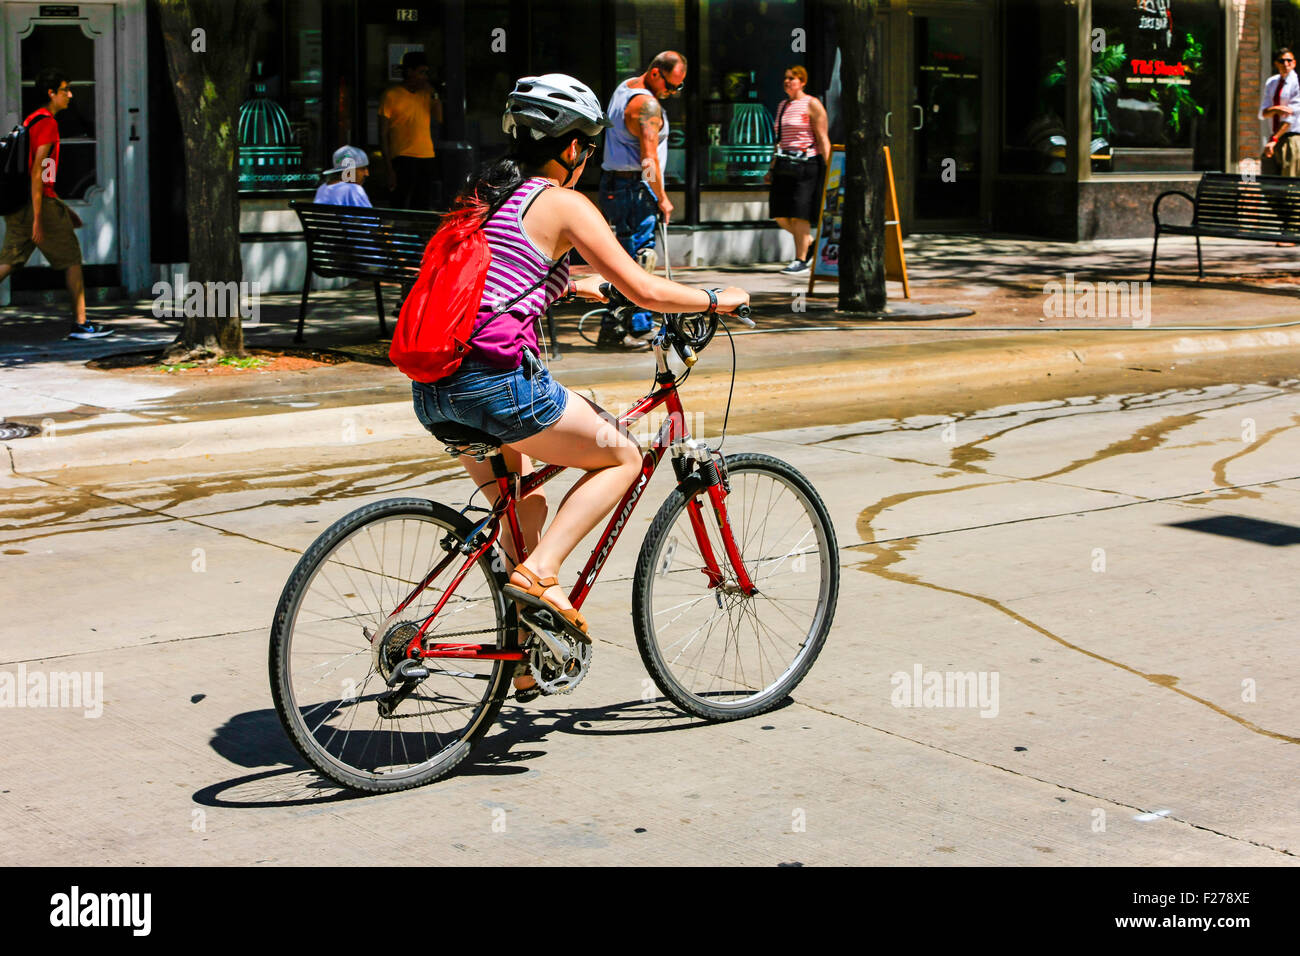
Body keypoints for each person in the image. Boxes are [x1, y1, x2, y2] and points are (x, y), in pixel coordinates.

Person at [409, 73, 747, 698]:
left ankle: (519, 656)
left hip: (435, 388)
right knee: (622, 452)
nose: (586, 160)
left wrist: (578, 285)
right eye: (587, 147)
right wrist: (711, 297)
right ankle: (541, 576)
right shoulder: (562, 202)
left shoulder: (484, 196)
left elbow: (504, 277)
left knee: (523, 507)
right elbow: (646, 290)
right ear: (569, 147)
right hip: (497, 385)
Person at [0, 67, 110, 339]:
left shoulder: (32, 120)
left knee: (10, 261)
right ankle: (81, 324)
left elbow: (40, 174)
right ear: (51, 93)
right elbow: (39, 171)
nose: (70, 95)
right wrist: (39, 217)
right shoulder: (48, 123)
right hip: (37, 206)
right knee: (72, 258)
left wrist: (62, 206)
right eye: (65, 90)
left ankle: (82, 323)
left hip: (22, 203)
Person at [599, 51, 687, 348]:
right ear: (655, 74)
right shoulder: (646, 104)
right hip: (635, 187)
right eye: (671, 86)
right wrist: (662, 198)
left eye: (678, 88)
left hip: (616, 184)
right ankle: (625, 327)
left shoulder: (625, 88)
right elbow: (649, 160)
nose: (672, 93)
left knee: (625, 258)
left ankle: (626, 326)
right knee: (639, 260)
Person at [768, 65, 830, 275]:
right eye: (785, 78)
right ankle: (810, 243)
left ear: (802, 82)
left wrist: (831, 166)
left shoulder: (812, 104)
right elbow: (779, 140)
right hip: (784, 164)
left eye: (792, 79)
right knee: (779, 213)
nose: (788, 82)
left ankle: (800, 260)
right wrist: (771, 167)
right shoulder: (783, 105)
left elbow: (822, 137)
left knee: (799, 213)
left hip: (806, 164)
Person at [379, 51, 443, 210]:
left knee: (422, 204)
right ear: (409, 72)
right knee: (399, 202)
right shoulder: (391, 95)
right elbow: (383, 134)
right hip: (402, 157)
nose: (425, 77)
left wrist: (434, 93)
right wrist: (389, 168)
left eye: (426, 73)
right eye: (421, 72)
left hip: (427, 156)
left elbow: (440, 118)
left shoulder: (427, 94)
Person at [1260, 47, 1300, 178]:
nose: (1286, 64)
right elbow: (1263, 113)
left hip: (1291, 138)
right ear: (1276, 64)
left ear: (1294, 63)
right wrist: (1276, 109)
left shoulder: (1296, 83)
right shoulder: (1271, 82)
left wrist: (1274, 139)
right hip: (1274, 138)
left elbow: (1291, 117)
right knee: (1269, 182)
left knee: (1289, 184)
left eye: (1289, 61)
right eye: (1282, 61)